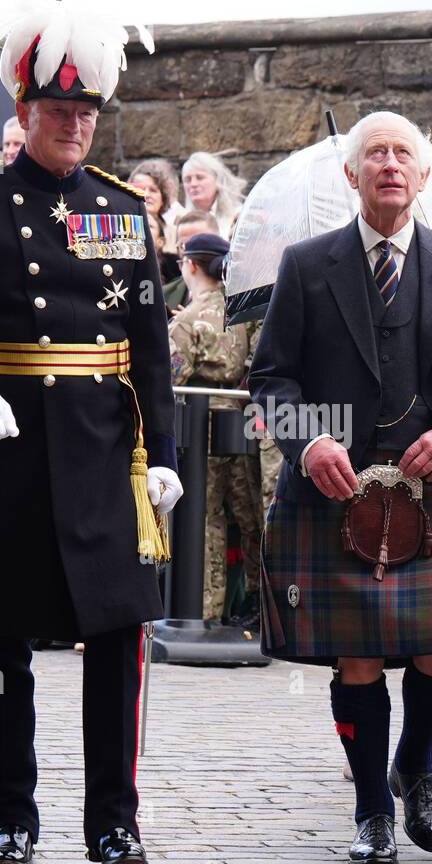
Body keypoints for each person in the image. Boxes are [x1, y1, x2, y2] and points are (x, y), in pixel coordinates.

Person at [0, 0, 178, 864]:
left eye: (86, 113)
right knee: (5, 641)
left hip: (104, 450)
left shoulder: (121, 209)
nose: (74, 126)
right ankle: (10, 815)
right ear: (23, 114)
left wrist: (165, 459)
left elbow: (149, 345)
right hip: (10, 446)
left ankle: (114, 820)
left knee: (117, 638)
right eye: (59, 112)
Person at [250, 110, 432, 864]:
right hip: (337, 495)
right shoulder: (308, 266)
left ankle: (416, 769)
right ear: (353, 175)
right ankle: (373, 808)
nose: (390, 165)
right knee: (360, 659)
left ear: (424, 174)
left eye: (404, 153)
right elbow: (270, 379)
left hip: (431, 489)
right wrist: (310, 442)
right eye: (375, 154)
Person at [167, 231, 255, 621]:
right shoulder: (244, 313)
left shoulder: (187, 320)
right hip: (238, 420)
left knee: (204, 518)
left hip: (198, 423)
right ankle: (254, 603)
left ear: (190, 265)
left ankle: (205, 611)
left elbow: (173, 374)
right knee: (248, 517)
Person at [182, 152, 246, 237]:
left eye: (200, 177)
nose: (193, 184)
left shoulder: (238, 217)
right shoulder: (181, 220)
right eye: (188, 179)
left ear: (217, 180)